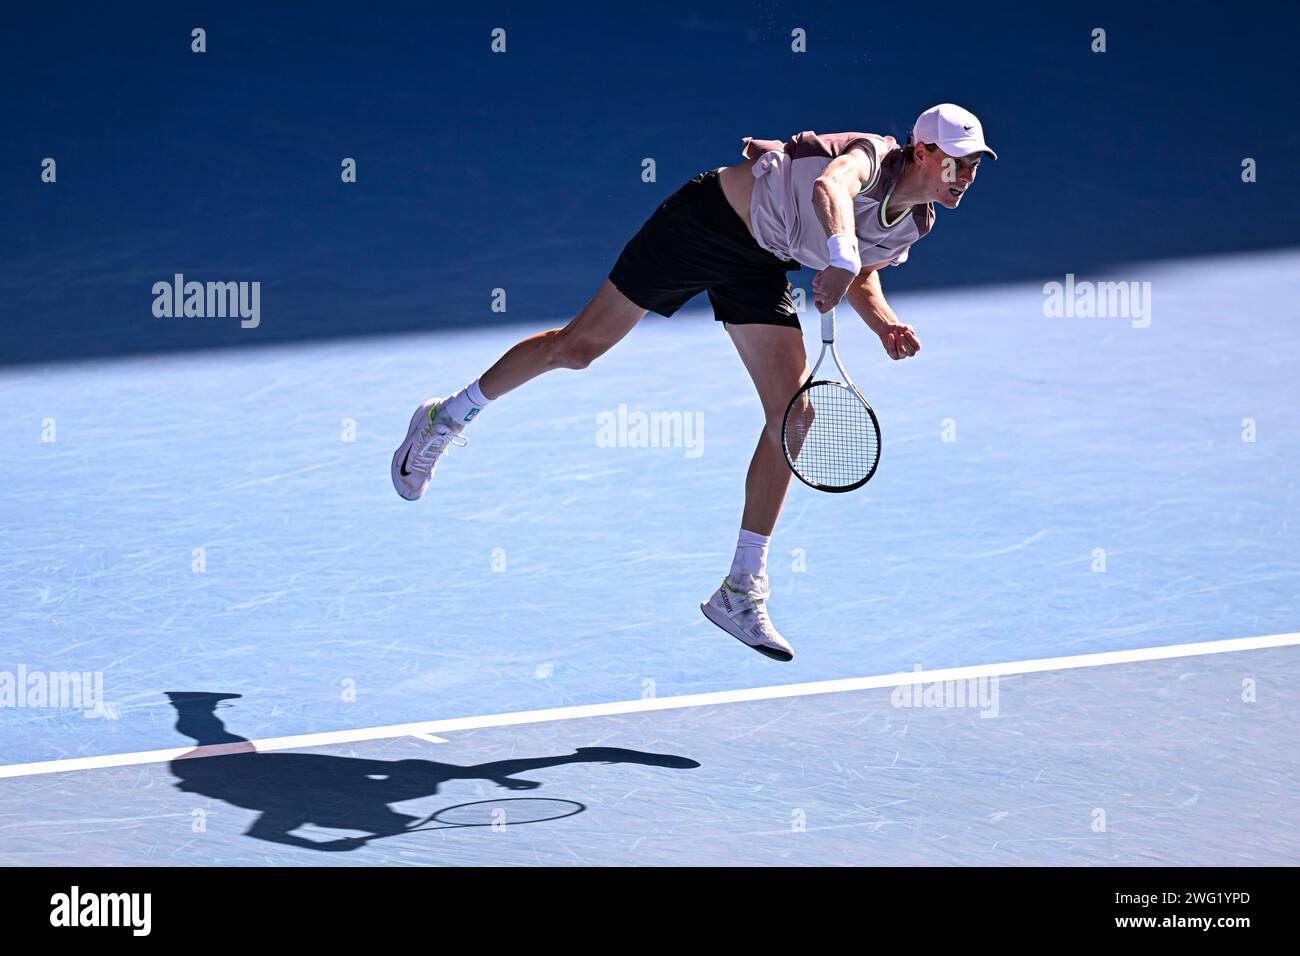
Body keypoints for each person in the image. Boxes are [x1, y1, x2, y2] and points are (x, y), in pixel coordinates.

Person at [391, 103, 996, 662]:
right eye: (957, 162)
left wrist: (885, 323)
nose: (965, 176)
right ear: (921, 153)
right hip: (704, 225)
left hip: (761, 261)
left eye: (973, 166)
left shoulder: (916, 223)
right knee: (578, 349)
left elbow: (862, 270)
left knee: (795, 417)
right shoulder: (868, 156)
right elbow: (828, 187)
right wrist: (837, 257)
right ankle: (446, 416)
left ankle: (740, 588)